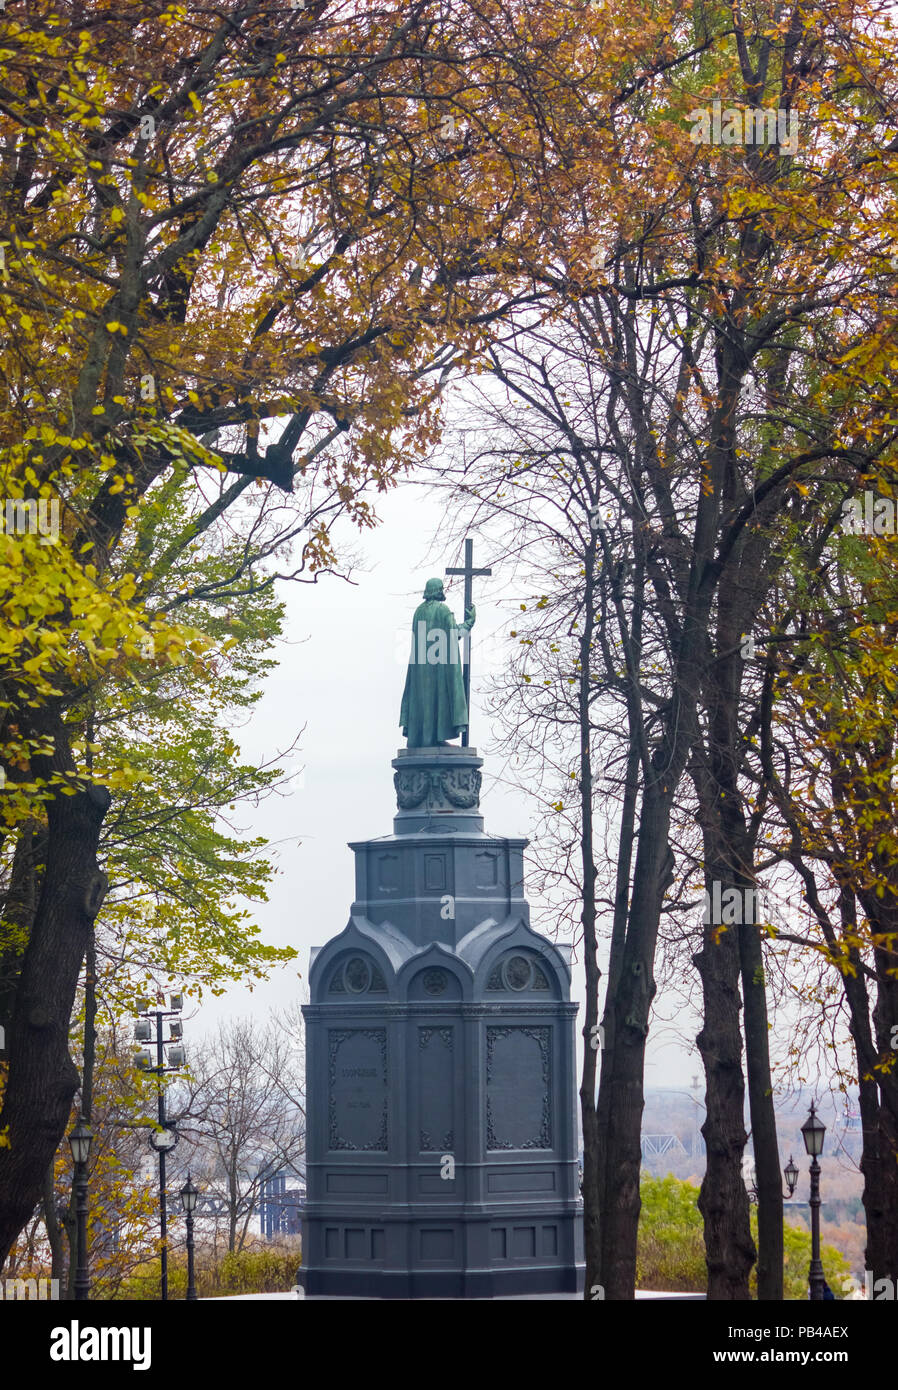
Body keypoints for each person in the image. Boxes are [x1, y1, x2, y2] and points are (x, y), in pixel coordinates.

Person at [399, 578, 475, 747]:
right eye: (441, 588)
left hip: (420, 669)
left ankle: (425, 738)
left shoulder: (418, 612)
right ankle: (434, 738)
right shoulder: (443, 610)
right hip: (439, 668)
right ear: (437, 590)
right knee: (437, 698)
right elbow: (455, 633)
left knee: (424, 700)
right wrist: (470, 622)